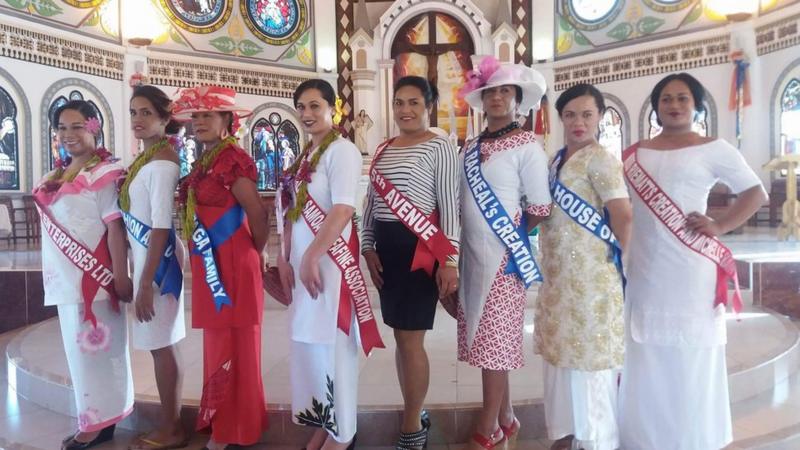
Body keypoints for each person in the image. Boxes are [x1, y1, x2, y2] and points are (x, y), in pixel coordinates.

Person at [618, 73, 768, 450]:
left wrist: (720, 225)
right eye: (666, 99)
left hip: (691, 269)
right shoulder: (636, 154)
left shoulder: (714, 148)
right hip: (645, 266)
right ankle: (644, 438)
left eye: (683, 99)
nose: (674, 105)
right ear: (655, 107)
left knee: (692, 350)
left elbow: (755, 192)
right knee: (646, 348)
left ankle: (695, 437)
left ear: (696, 106)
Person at [276, 79, 383, 450]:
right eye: (301, 107)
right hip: (305, 264)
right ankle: (323, 420)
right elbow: (291, 211)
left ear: (333, 108)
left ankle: (343, 433)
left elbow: (342, 209)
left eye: (315, 106)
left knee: (334, 346)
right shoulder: (305, 156)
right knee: (310, 345)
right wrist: (283, 256)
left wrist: (310, 256)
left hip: (329, 265)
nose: (307, 114)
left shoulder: (342, 151)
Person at [455, 57, 552, 450]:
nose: (497, 97)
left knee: (494, 343)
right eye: (490, 91)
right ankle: (507, 416)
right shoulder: (471, 146)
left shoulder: (528, 144)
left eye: (504, 91)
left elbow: (540, 208)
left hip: (505, 262)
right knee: (486, 341)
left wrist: (512, 241)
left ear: (517, 98)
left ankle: (488, 426)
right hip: (471, 260)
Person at [361, 75, 460, 449]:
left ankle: (411, 426)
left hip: (420, 251)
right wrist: (368, 248)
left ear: (428, 106)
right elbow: (371, 203)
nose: (405, 110)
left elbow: (450, 208)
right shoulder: (384, 148)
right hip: (386, 251)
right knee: (401, 340)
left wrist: (449, 260)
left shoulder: (440, 147)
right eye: (399, 102)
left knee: (411, 339)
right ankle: (413, 412)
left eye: (414, 102)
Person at [536, 83, 632, 450]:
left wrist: (632, 269)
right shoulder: (556, 159)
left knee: (590, 368)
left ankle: (596, 441)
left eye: (587, 114)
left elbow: (622, 216)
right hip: (559, 281)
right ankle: (565, 436)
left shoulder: (601, 159)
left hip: (592, 282)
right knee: (563, 364)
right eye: (571, 114)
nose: (579, 121)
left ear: (600, 118)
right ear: (561, 117)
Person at [33, 100, 133, 450]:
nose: (68, 134)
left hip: (96, 282)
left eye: (77, 126)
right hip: (63, 280)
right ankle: (95, 419)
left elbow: (115, 229)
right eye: (62, 127)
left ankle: (98, 423)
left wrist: (121, 276)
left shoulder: (106, 173)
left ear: (94, 127)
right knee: (79, 358)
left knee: (101, 357)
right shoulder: (53, 177)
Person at [174, 85, 270, 450]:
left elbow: (257, 214)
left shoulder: (233, 159)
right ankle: (223, 421)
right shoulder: (206, 160)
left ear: (228, 120)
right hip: (210, 260)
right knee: (218, 343)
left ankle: (234, 428)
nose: (199, 122)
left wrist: (254, 253)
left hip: (232, 263)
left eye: (207, 115)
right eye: (195, 116)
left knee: (236, 344)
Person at [121, 85, 189, 450]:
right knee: (160, 344)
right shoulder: (145, 159)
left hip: (157, 263)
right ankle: (171, 421)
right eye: (133, 112)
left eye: (146, 112)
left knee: (161, 343)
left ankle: (172, 427)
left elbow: (162, 224)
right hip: (146, 258)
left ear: (165, 118)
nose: (137, 119)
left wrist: (144, 282)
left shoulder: (162, 162)